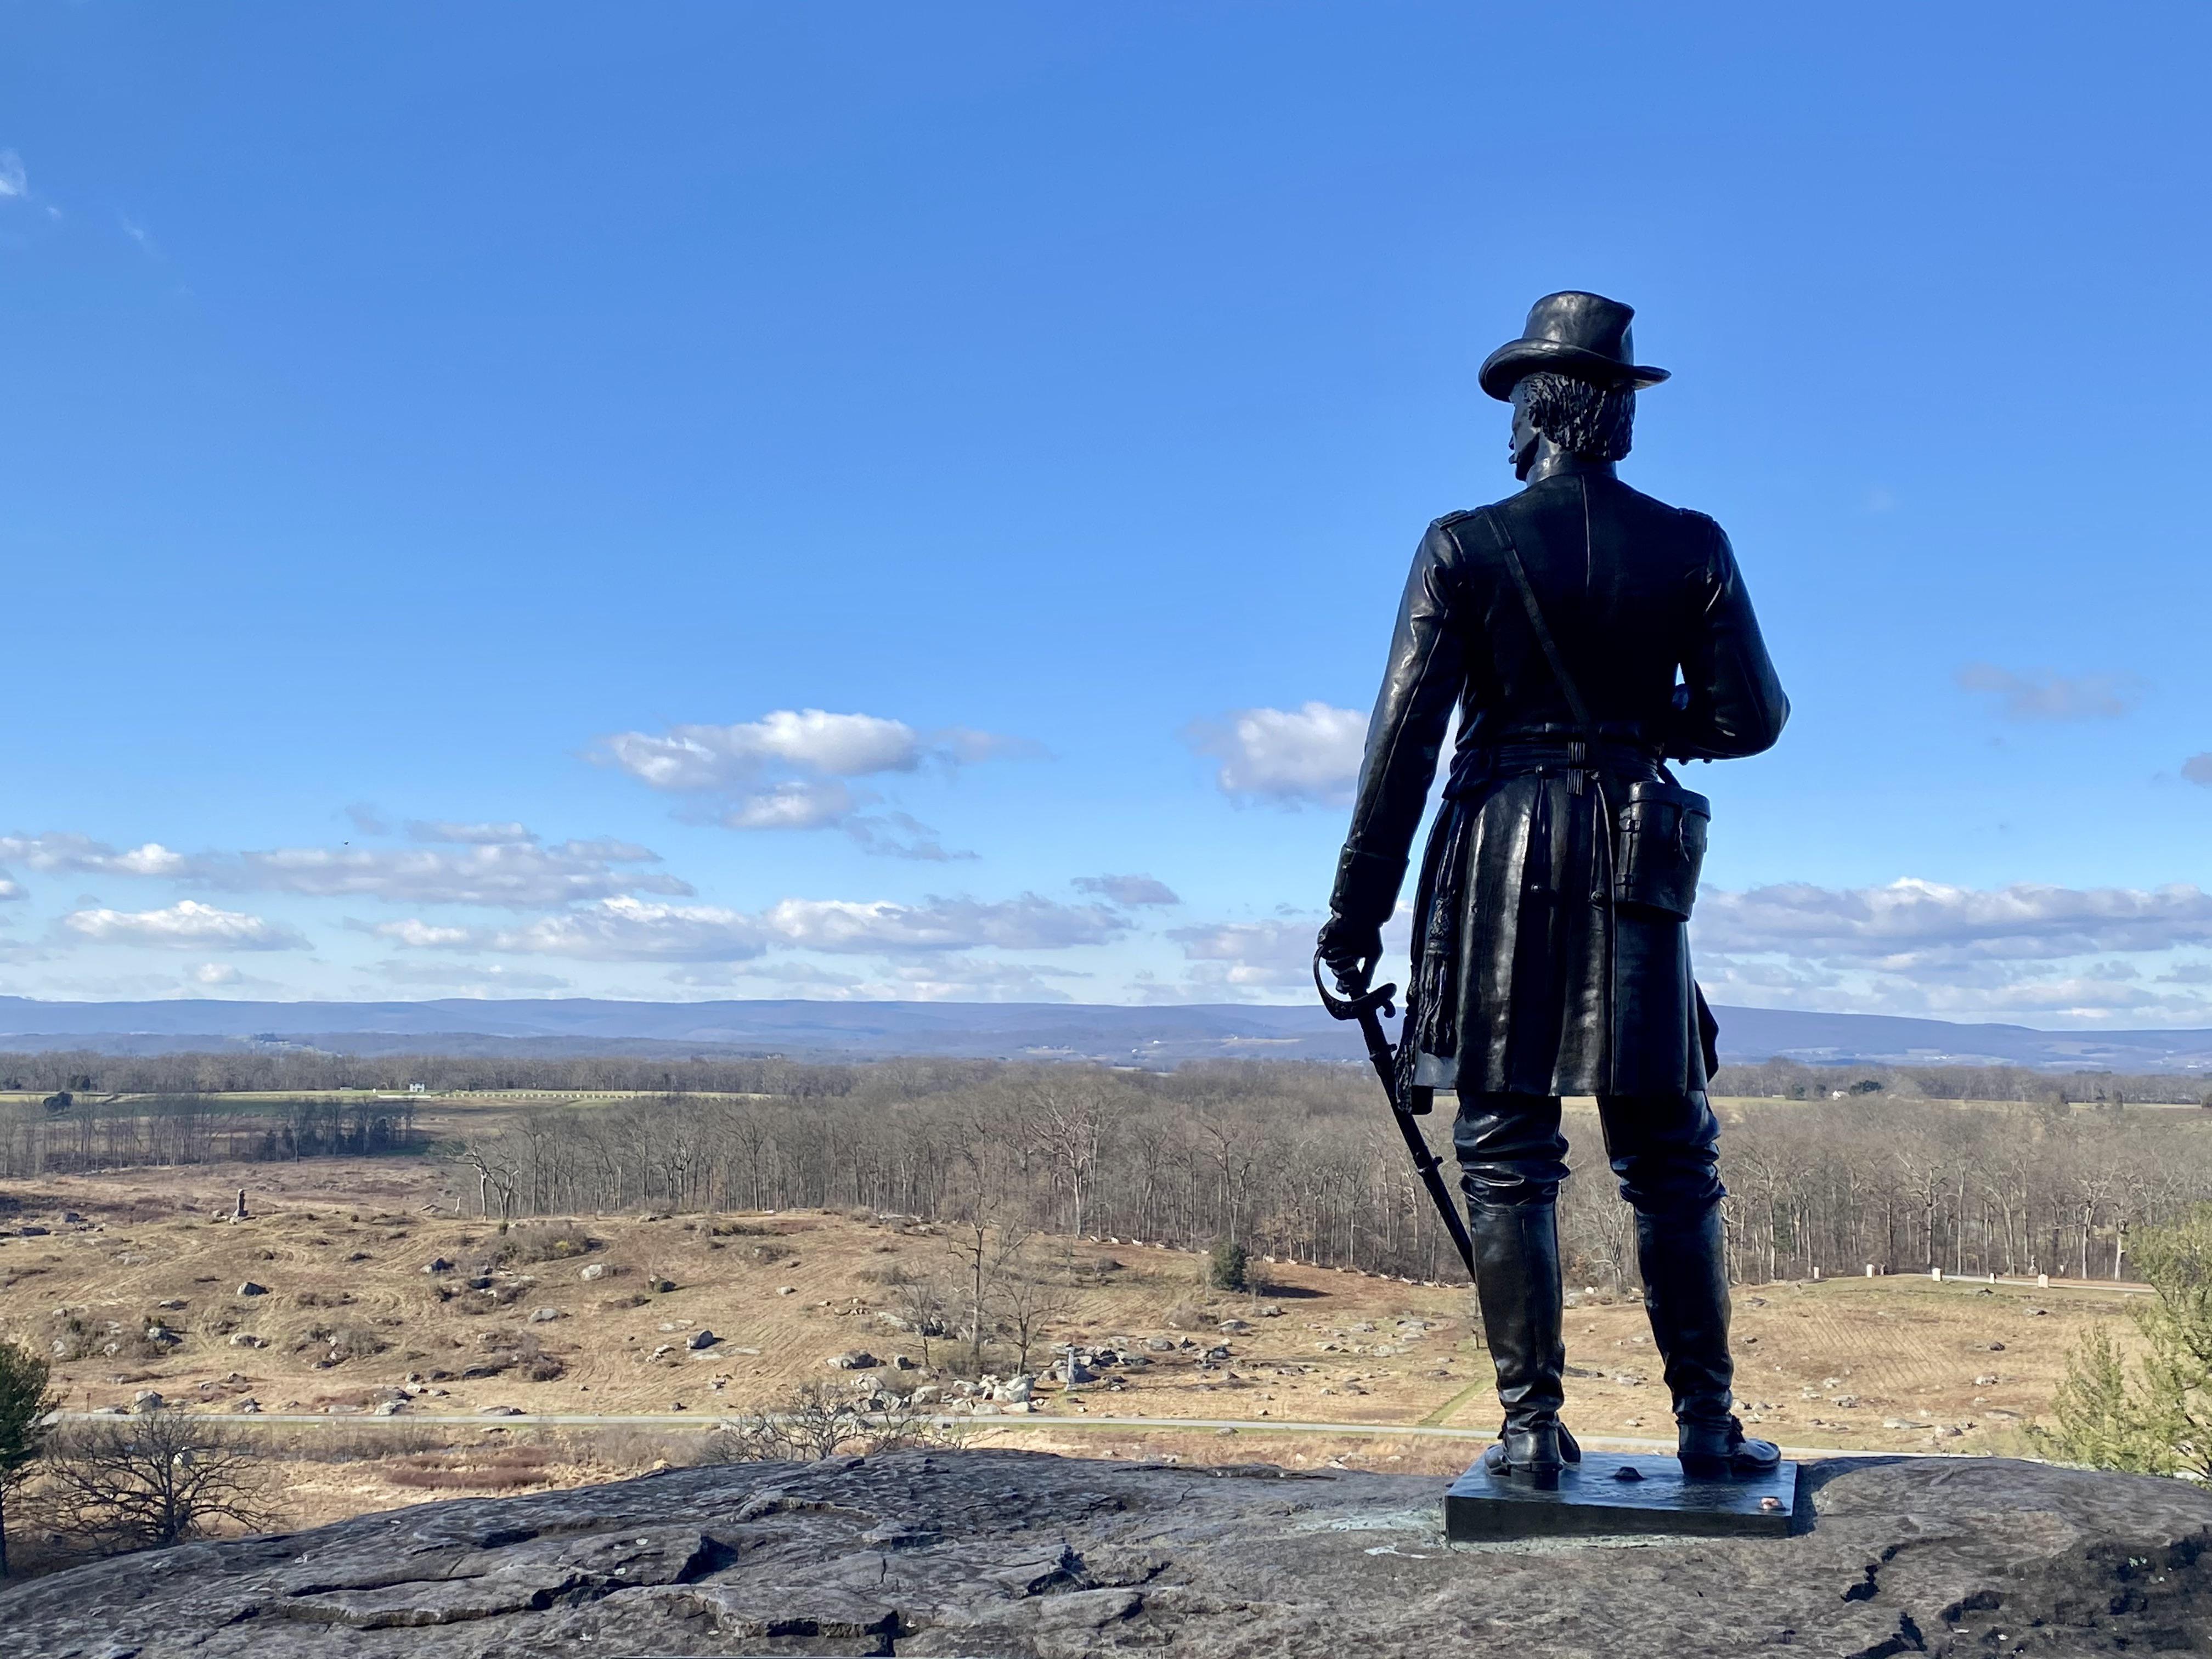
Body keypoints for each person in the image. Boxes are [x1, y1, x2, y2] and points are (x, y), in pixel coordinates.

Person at [1316, 292, 1790, 1483]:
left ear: (1534, 409)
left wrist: (1357, 909)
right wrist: (1640, 727)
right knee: (1670, 1147)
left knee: (1504, 1146)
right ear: (1616, 414)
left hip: (1499, 850)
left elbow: (1404, 742)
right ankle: (1708, 1430)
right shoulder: (1691, 544)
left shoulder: (1465, 543)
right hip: (1636, 851)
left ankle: (1530, 1431)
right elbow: (1752, 716)